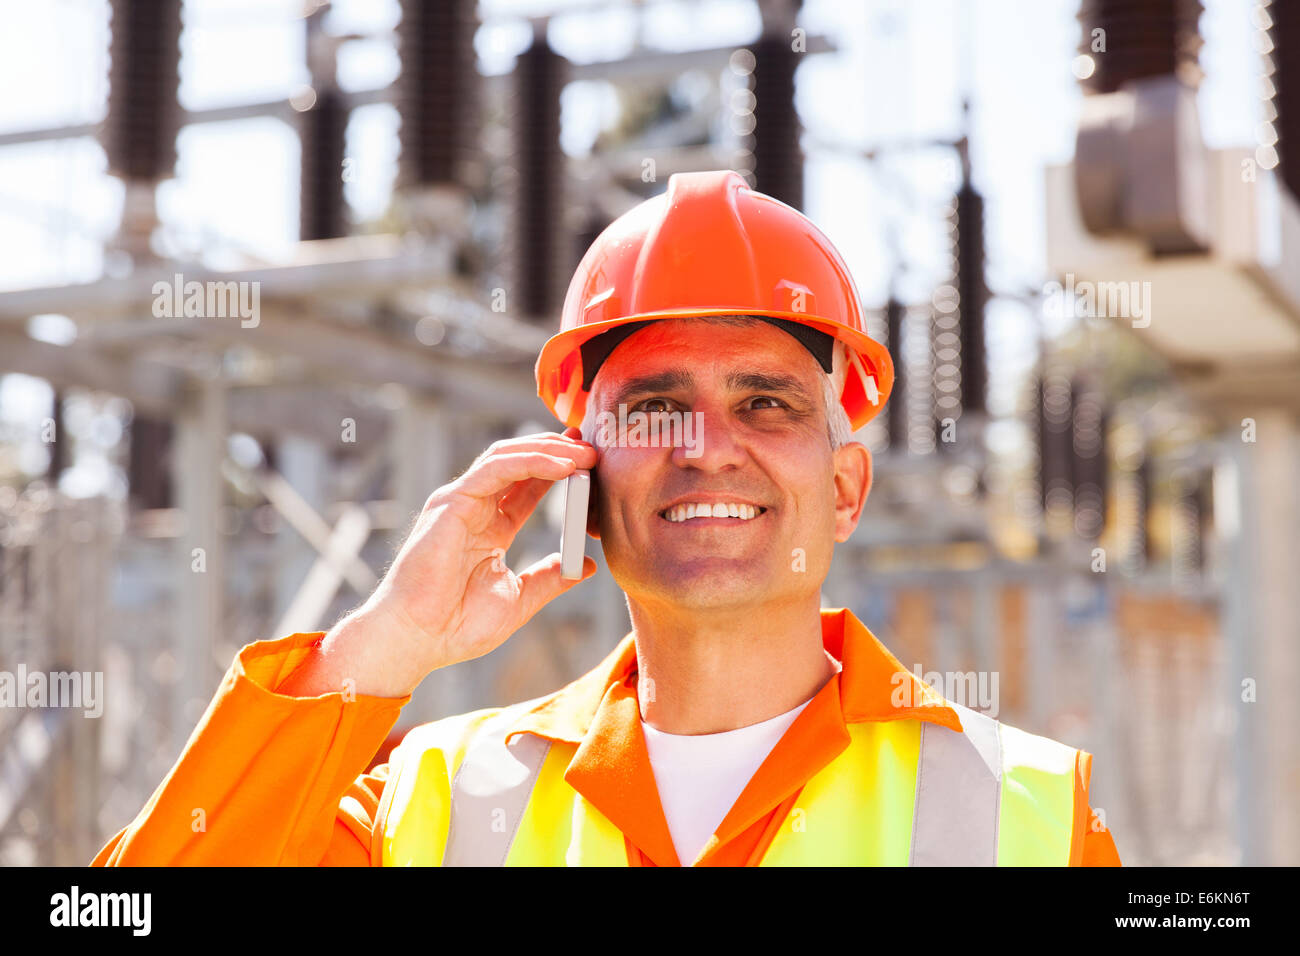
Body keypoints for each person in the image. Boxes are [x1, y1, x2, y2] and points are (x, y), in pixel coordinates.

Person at [93, 170, 1120, 866]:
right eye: (653, 405)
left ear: (845, 490)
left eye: (766, 400)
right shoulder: (436, 805)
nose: (707, 445)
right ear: (576, 482)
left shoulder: (1024, 816)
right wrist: (380, 648)